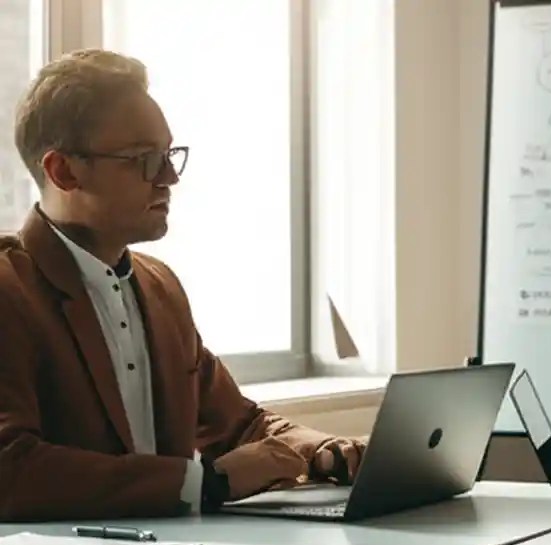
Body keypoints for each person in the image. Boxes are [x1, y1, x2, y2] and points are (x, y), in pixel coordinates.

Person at [0, 49, 365, 521]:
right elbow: (9, 469)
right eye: (144, 161)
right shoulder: (9, 290)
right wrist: (206, 483)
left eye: (169, 156)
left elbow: (239, 425)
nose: (169, 178)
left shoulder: (159, 286)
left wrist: (324, 451)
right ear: (63, 171)